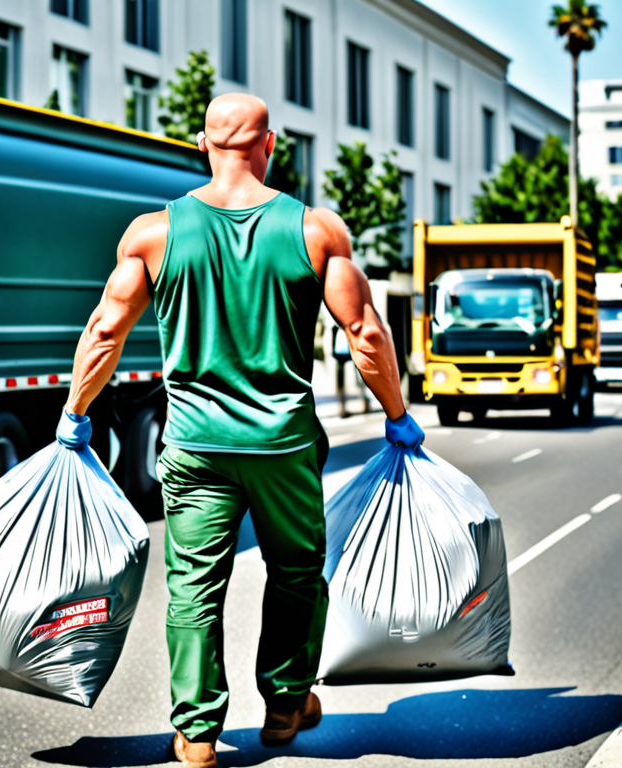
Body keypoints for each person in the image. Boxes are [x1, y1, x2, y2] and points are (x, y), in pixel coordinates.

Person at [57, 93, 424, 768]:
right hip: (283, 444)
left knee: (194, 586)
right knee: (296, 573)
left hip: (195, 446)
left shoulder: (154, 234)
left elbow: (106, 330)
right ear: (270, 146)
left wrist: (75, 416)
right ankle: (286, 703)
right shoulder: (316, 232)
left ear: (202, 144)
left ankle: (196, 732)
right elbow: (367, 334)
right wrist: (398, 418)